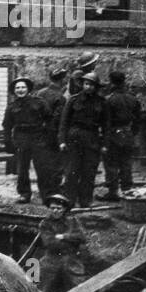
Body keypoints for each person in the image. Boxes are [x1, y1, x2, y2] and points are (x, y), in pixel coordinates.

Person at [59, 70, 109, 208]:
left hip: (92, 139)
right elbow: (64, 122)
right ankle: (69, 200)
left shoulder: (102, 103)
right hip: (73, 139)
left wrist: (105, 144)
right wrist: (62, 141)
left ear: (96, 87)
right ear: (82, 85)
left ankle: (85, 200)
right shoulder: (73, 100)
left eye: (92, 85)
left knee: (89, 172)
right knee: (71, 171)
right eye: (86, 84)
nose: (89, 87)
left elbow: (106, 125)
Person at [2, 76, 55, 204]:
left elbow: (50, 119)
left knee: (42, 168)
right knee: (22, 169)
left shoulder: (39, 102)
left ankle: (46, 195)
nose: (20, 90)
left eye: (23, 87)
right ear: (14, 91)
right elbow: (7, 125)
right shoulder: (11, 107)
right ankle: (24, 194)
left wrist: (48, 137)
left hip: (38, 137)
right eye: (17, 88)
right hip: (21, 138)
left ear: (28, 89)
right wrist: (8, 143)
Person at [35, 194, 88, 292]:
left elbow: (81, 237)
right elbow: (50, 243)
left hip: (71, 258)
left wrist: (63, 236)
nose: (55, 211)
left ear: (64, 209)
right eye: (52, 208)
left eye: (58, 208)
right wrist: (71, 241)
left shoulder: (72, 221)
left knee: (79, 287)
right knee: (42, 287)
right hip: (51, 258)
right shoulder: (45, 223)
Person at [100, 70, 141, 202]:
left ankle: (113, 192)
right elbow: (138, 119)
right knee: (126, 163)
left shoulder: (108, 99)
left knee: (111, 163)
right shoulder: (133, 98)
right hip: (128, 133)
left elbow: (106, 122)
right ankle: (127, 190)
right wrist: (132, 132)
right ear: (124, 81)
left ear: (111, 82)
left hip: (112, 135)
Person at [34, 67, 68, 197]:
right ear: (61, 80)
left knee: (42, 163)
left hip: (39, 134)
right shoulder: (60, 97)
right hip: (53, 135)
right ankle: (53, 191)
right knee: (56, 164)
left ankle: (43, 192)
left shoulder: (40, 93)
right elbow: (58, 118)